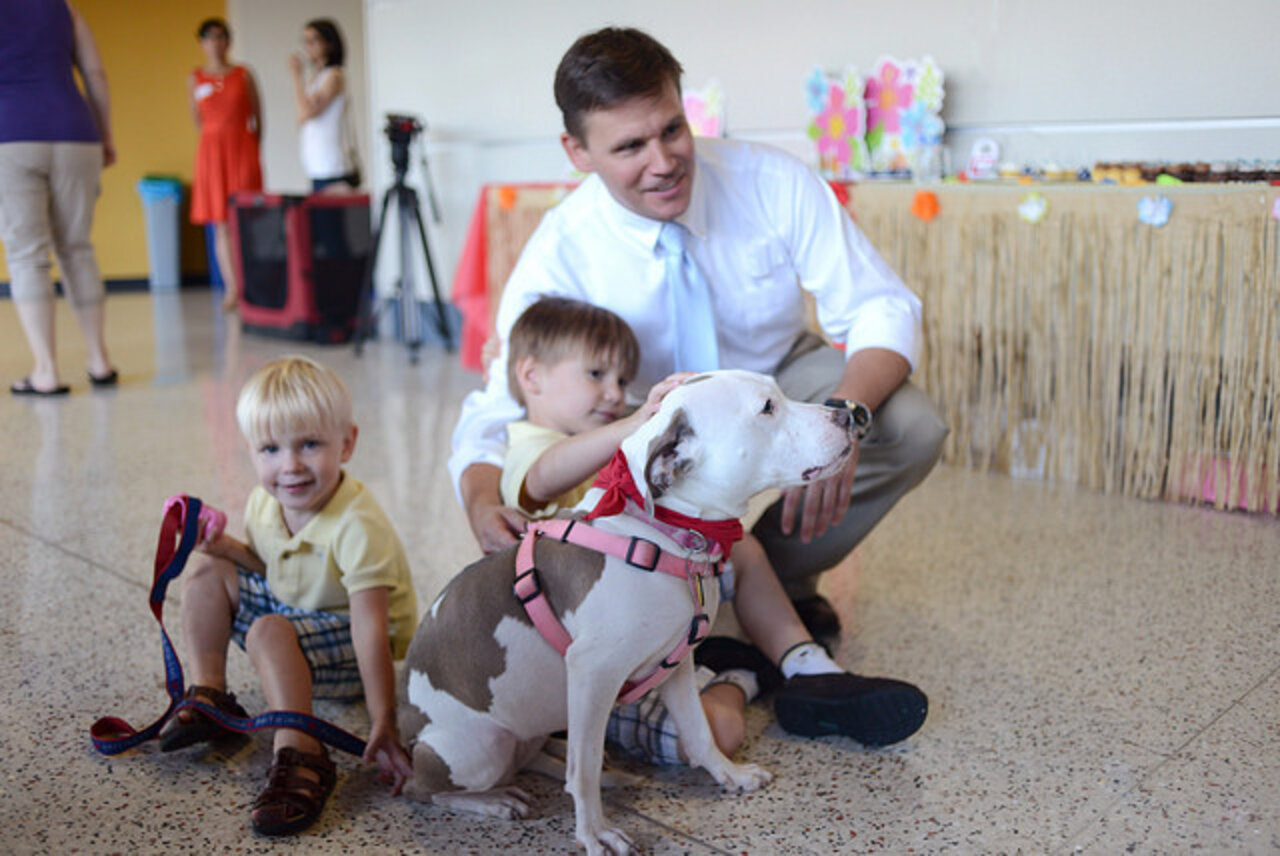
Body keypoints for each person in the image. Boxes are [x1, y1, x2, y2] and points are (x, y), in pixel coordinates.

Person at [450, 27, 950, 740]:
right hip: (653, 420)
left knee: (914, 426)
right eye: (628, 147)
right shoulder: (558, 254)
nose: (662, 163)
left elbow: (881, 306)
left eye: (672, 130)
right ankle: (736, 605)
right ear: (577, 153)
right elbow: (498, 404)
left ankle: (750, 585)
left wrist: (847, 414)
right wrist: (477, 500)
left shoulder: (770, 181)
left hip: (774, 370)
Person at [502, 296, 928, 759]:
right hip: (591, 659)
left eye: (622, 380)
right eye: (595, 374)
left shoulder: (611, 430)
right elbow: (543, 477)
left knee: (739, 548)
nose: (613, 392)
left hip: (648, 603)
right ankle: (745, 673)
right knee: (721, 731)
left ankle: (805, 663)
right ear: (531, 376)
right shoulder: (526, 443)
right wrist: (640, 426)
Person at [160, 355, 417, 836]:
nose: (291, 466)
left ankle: (301, 748)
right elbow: (270, 568)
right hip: (297, 615)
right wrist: (222, 547)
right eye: (271, 449)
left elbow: (371, 629)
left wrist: (385, 718)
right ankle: (210, 695)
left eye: (310, 444)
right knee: (207, 574)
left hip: (357, 645)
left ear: (348, 443)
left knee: (268, 630)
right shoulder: (265, 501)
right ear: (251, 453)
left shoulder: (357, 525)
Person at [1, 0, 117, 396]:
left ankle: (46, 371)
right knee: (77, 247)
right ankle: (99, 361)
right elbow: (95, 73)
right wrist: (106, 134)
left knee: (27, 255)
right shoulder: (64, 9)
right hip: (75, 131)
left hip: (9, 135)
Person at [189, 17, 263, 313]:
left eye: (221, 37)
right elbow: (197, 120)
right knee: (221, 224)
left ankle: (253, 285)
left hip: (242, 149)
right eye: (210, 38)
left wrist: (253, 151)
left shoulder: (244, 75)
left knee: (244, 220)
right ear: (202, 43)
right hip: (212, 152)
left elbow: (258, 118)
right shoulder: (195, 79)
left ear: (228, 41)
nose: (216, 43)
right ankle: (232, 288)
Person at [289, 18, 359, 193]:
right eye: (306, 41)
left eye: (314, 40)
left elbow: (308, 111)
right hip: (316, 165)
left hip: (333, 167)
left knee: (331, 219)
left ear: (329, 43)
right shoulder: (316, 77)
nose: (308, 46)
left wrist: (296, 77)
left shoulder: (334, 75)